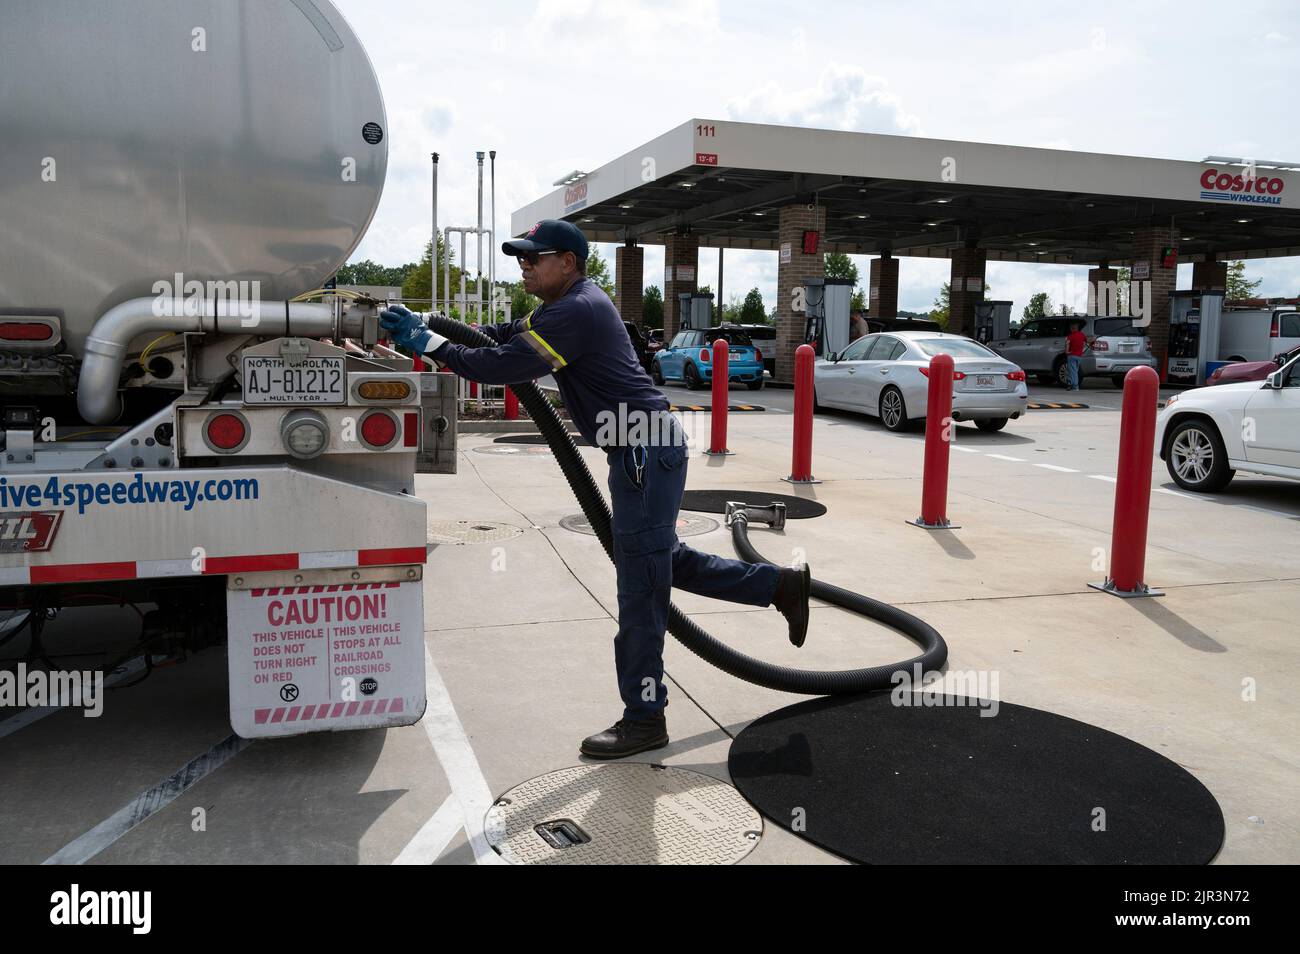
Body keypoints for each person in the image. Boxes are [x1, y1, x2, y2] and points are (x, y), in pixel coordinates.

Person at [378, 219, 811, 759]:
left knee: (641, 588)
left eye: (535, 257)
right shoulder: (564, 306)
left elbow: (502, 365)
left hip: (643, 452)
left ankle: (644, 718)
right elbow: (503, 337)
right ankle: (776, 587)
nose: (525, 266)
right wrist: (431, 323)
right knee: (660, 562)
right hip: (638, 450)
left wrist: (430, 342)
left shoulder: (577, 310)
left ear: (570, 261)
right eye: (522, 258)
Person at [1066, 320, 1087, 391]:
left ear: (1072, 328)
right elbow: (1086, 341)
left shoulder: (1070, 336)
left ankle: (1074, 386)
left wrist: (1067, 352)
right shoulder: (1082, 335)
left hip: (1071, 355)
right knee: (1075, 370)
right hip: (1079, 356)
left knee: (1072, 371)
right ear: (1077, 328)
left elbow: (1067, 344)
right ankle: (1071, 383)